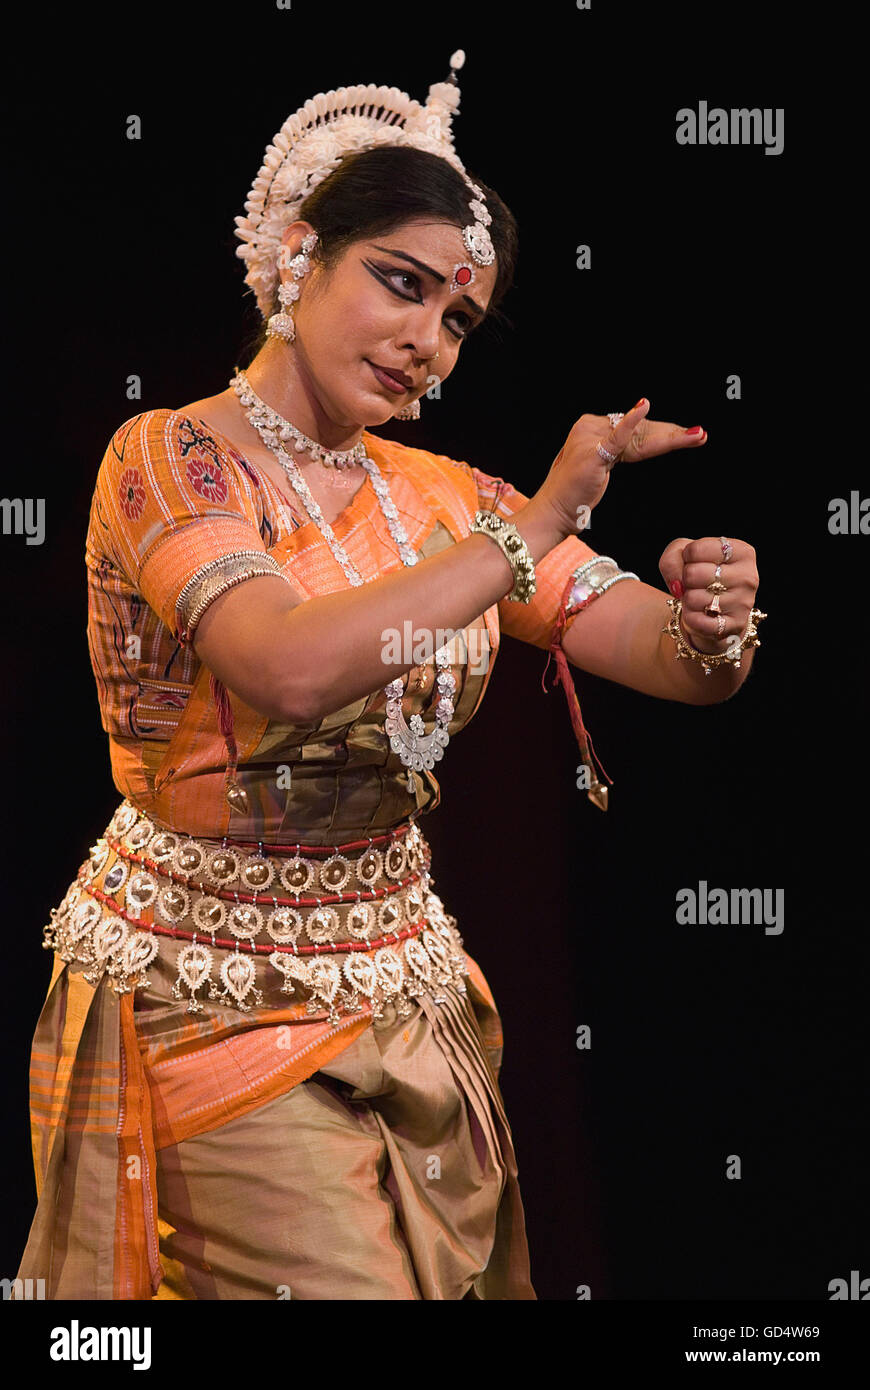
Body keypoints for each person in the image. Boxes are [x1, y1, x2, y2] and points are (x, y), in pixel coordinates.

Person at [15, 53, 765, 1301]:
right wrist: (531, 527)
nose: (427, 343)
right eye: (401, 286)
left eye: (458, 319)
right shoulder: (171, 458)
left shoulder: (445, 501)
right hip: (212, 1000)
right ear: (302, 251)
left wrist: (710, 615)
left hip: (410, 993)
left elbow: (656, 655)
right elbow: (288, 665)